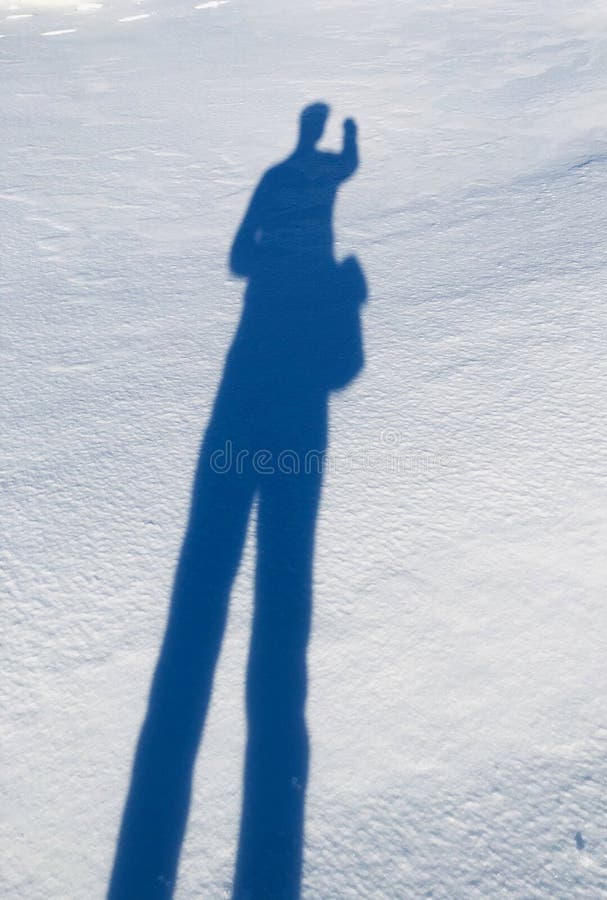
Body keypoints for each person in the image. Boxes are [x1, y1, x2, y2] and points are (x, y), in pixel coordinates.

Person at [108, 103, 365, 900]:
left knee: (215, 543)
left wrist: (287, 248)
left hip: (248, 379)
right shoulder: (325, 185)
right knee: (284, 567)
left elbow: (236, 260)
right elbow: (345, 370)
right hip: (294, 411)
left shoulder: (280, 179)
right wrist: (339, 290)